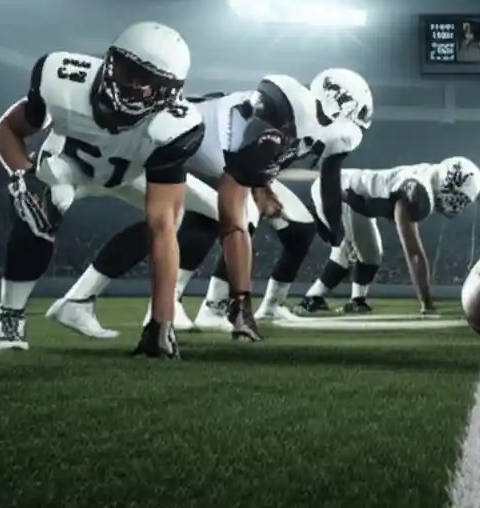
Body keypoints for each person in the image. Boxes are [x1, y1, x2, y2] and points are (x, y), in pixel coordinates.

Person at [46, 70, 372, 340]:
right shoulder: (286, 104)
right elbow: (239, 185)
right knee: (182, 220)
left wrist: (329, 227)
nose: (353, 132)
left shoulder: (308, 127)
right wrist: (241, 303)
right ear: (339, 103)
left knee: (200, 218)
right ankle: (82, 298)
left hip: (206, 156)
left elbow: (266, 161)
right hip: (169, 145)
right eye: (355, 117)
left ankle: (93, 299)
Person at [0, 22, 204, 358]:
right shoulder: (62, 78)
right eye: (129, 71)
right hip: (68, 166)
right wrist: (22, 174)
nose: (134, 86)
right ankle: (8, 315)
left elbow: (162, 223)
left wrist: (162, 323)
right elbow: (7, 129)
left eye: (150, 82)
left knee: (178, 222)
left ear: (170, 92)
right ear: (109, 60)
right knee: (45, 205)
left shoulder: (178, 127)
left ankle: (80, 301)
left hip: (128, 175)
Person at [296, 158, 480, 315]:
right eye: (457, 198)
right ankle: (312, 299)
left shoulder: (425, 177)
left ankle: (356, 301)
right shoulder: (417, 192)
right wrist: (427, 304)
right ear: (447, 183)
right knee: (345, 252)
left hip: (352, 198)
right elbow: (415, 255)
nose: (457, 206)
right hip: (334, 189)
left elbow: (388, 208)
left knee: (371, 255)